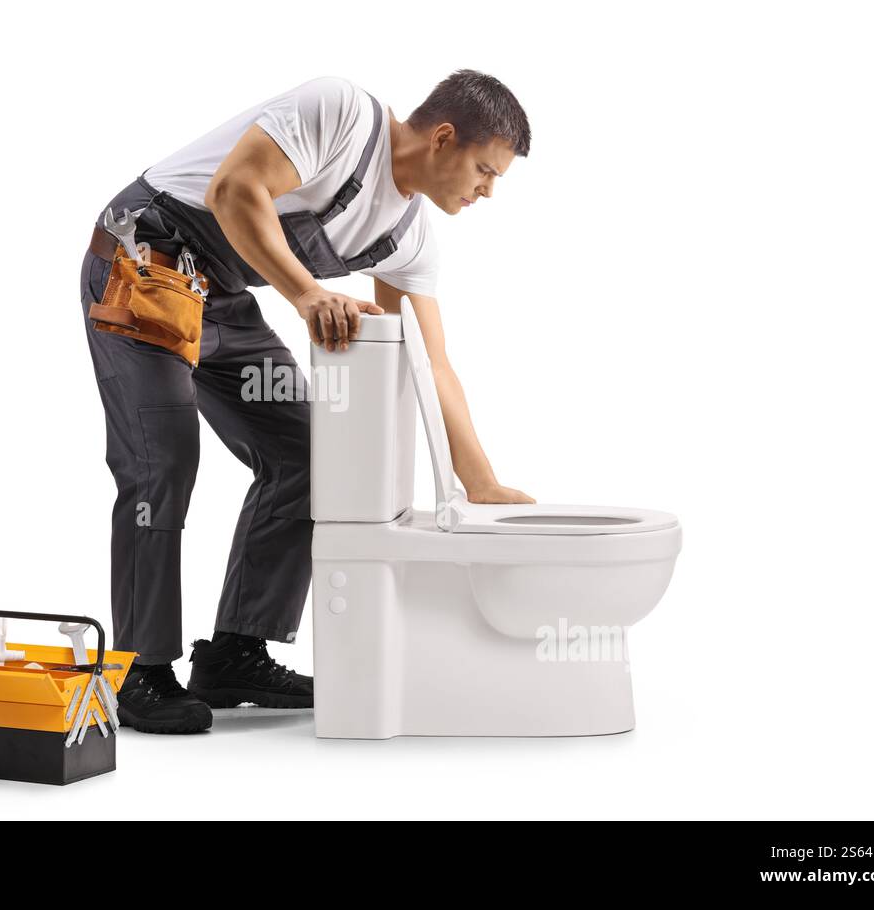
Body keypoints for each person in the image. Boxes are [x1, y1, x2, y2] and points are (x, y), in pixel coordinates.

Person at [81, 70, 535, 734]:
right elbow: (233, 190)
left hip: (220, 300)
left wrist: (482, 482)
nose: (487, 191)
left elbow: (431, 362)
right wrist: (304, 294)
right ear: (444, 137)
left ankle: (237, 650)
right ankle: (138, 669)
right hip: (142, 258)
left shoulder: (408, 236)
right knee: (163, 461)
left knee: (312, 455)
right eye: (485, 170)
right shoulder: (342, 114)